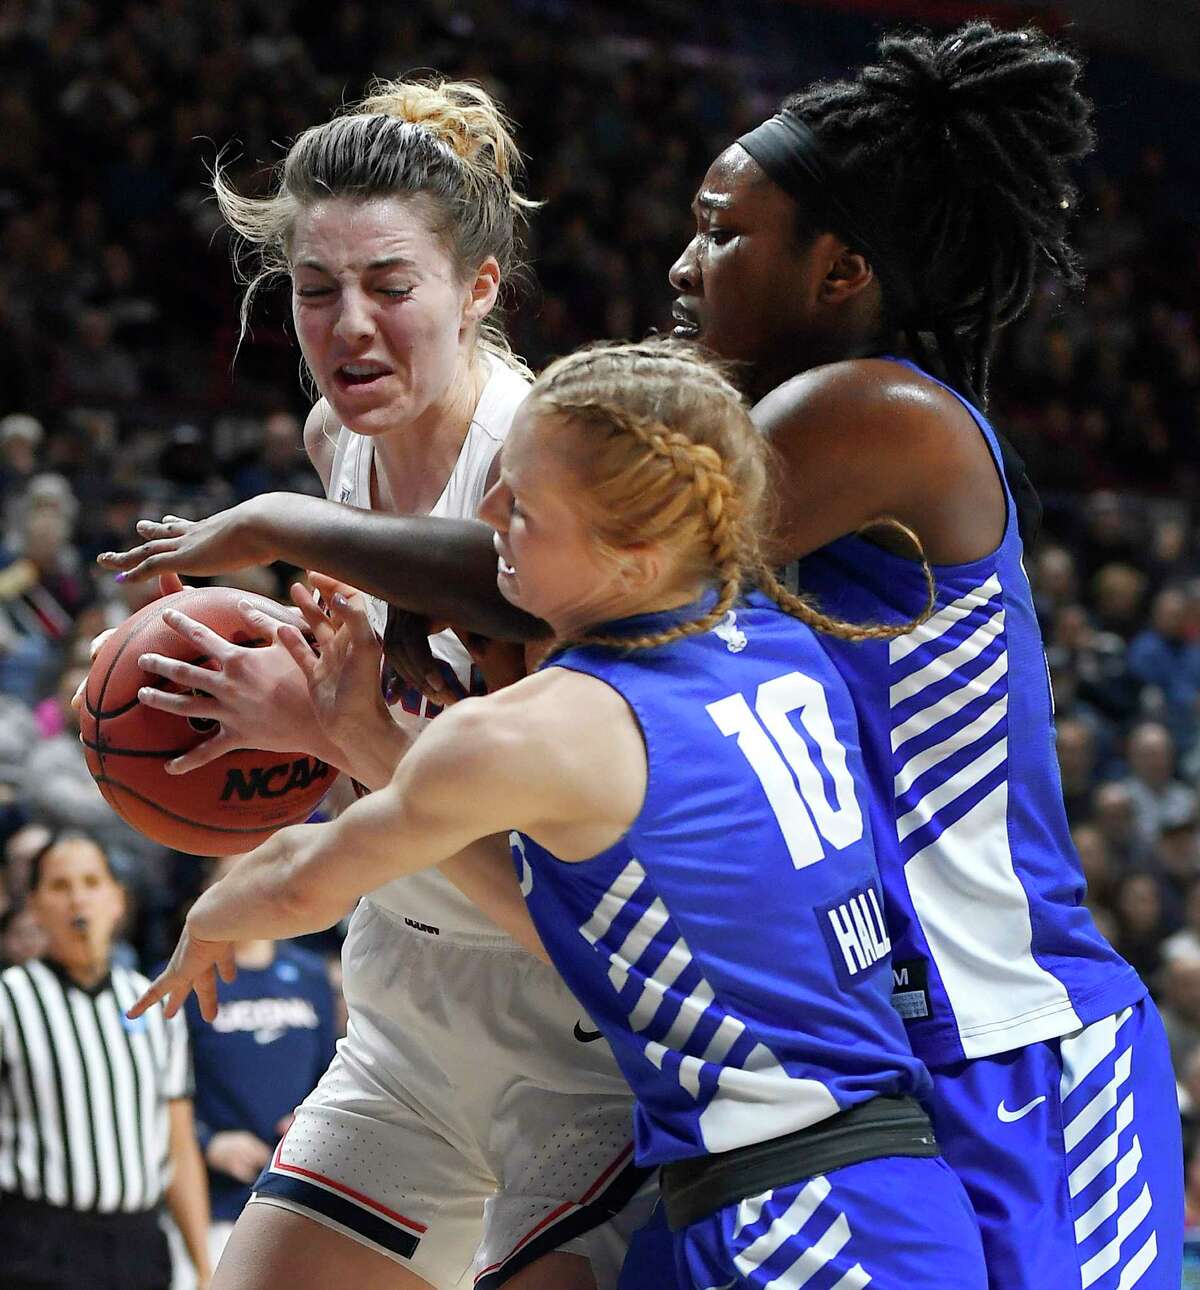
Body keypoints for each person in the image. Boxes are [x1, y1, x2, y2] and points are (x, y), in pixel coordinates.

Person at [99, 24, 1184, 1287]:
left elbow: (544, 586)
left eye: (723, 232)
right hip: (821, 1042)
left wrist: (293, 547)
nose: (680, 264)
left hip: (1007, 1023)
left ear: (839, 270)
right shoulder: (730, 431)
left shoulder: (874, 416)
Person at [133, 339, 988, 1290]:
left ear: (633, 554)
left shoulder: (550, 726)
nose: (487, 516)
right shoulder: (786, 645)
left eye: (522, 505)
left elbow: (301, 879)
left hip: (787, 1216)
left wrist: (210, 918)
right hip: (887, 1180)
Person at [116, 77, 651, 1290]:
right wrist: (293, 711)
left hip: (572, 1044)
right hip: (403, 1014)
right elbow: (366, 739)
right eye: (317, 291)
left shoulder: (539, 488)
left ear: (477, 290)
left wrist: (340, 734)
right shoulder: (334, 440)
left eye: (390, 287)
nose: (350, 325)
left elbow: (569, 907)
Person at [0, 833, 210, 1290]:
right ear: (33, 905)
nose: (78, 898)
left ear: (118, 899)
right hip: (36, 1241)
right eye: (59, 886)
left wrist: (203, 1265)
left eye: (92, 882)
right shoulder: (9, 999)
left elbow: (179, 1143)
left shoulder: (154, 1001)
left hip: (139, 1243)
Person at [179, 857, 337, 1274]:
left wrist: (310, 1121)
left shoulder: (310, 974)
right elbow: (157, 1096)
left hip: (302, 1202)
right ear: (207, 894)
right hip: (217, 1207)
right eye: (230, 879)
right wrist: (207, 1142)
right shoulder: (179, 980)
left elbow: (333, 1075)